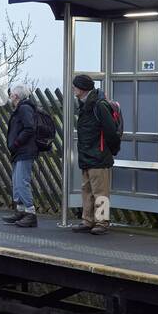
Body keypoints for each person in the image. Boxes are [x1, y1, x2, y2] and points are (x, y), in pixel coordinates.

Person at [72, 73, 119, 235]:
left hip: (98, 156)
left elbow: (111, 132)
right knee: (87, 190)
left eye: (75, 86)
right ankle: (88, 220)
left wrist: (110, 151)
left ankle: (102, 221)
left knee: (100, 192)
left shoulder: (99, 105)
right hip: (88, 155)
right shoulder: (87, 104)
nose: (73, 89)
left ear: (82, 88)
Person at [2, 84, 39, 228]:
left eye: (11, 94)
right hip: (20, 151)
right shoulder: (22, 108)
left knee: (21, 181)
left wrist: (16, 142)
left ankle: (30, 213)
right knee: (17, 181)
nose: (10, 96)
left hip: (24, 150)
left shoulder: (24, 109)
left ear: (16, 96)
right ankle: (21, 210)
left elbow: (29, 128)